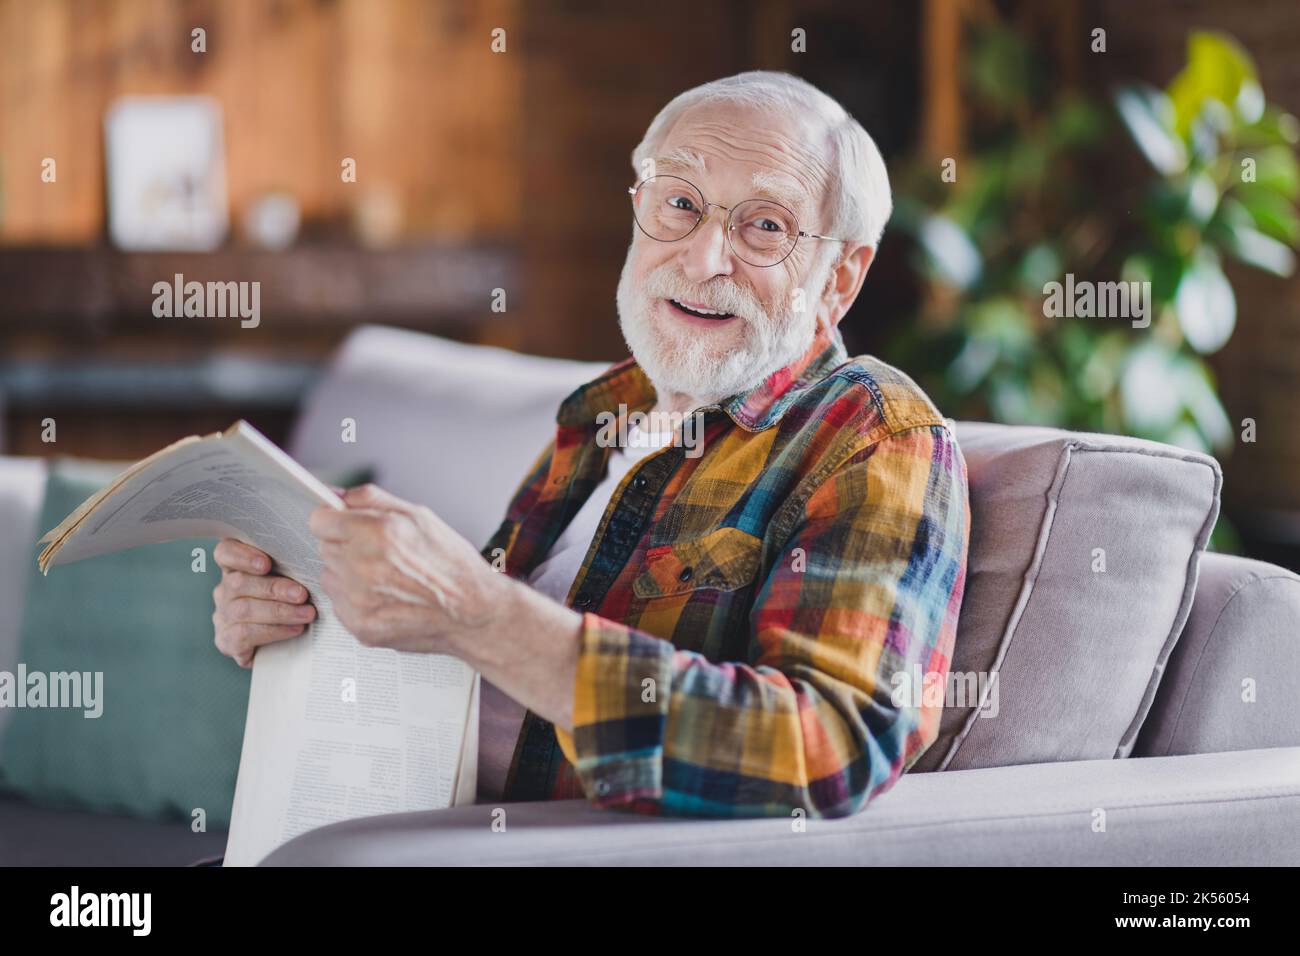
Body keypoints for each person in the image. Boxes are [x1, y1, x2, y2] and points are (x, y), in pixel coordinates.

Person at [211, 71, 970, 819]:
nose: (704, 259)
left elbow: (832, 746)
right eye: (680, 204)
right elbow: (472, 678)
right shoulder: (605, 413)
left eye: (764, 226)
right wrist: (313, 621)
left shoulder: (875, 437)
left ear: (839, 278)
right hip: (409, 822)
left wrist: (479, 611)